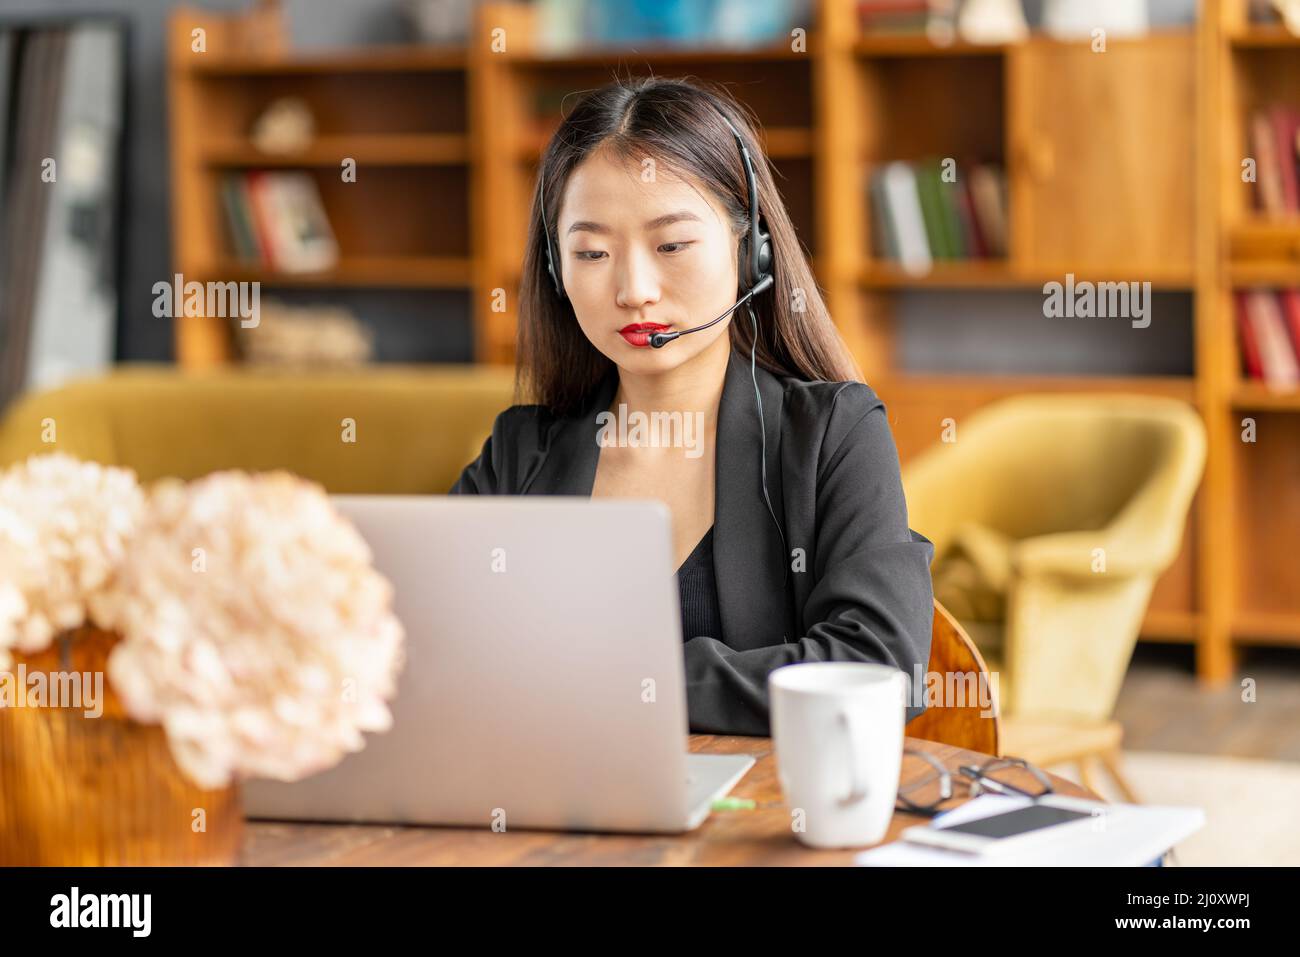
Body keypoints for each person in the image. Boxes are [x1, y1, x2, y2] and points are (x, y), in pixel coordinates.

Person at [450, 76, 935, 736]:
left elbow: (880, 668)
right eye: (591, 252)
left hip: (759, 820)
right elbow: (432, 641)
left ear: (751, 248)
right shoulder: (520, 452)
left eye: (671, 244)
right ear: (556, 269)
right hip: (557, 815)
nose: (634, 290)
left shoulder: (832, 435)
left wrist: (619, 681)